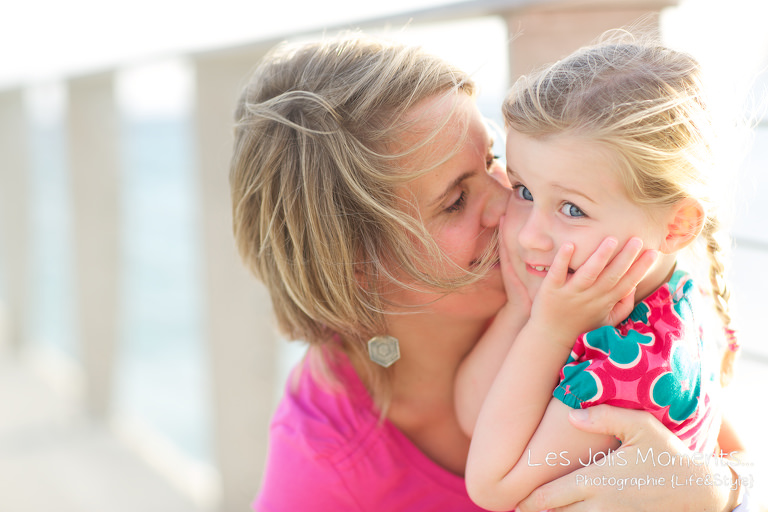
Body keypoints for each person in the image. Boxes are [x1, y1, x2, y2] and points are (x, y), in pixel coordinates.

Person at [229, 32, 751, 511]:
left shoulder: (592, 303)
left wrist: (720, 491)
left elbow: (730, 456)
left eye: (494, 159)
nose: (510, 208)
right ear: (359, 265)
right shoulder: (324, 468)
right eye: (456, 200)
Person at [458, 36, 747, 511]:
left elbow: (492, 485)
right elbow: (473, 414)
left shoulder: (627, 370)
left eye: (572, 208)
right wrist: (523, 310)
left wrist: (549, 330)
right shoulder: (668, 293)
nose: (530, 236)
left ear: (675, 226)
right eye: (524, 191)